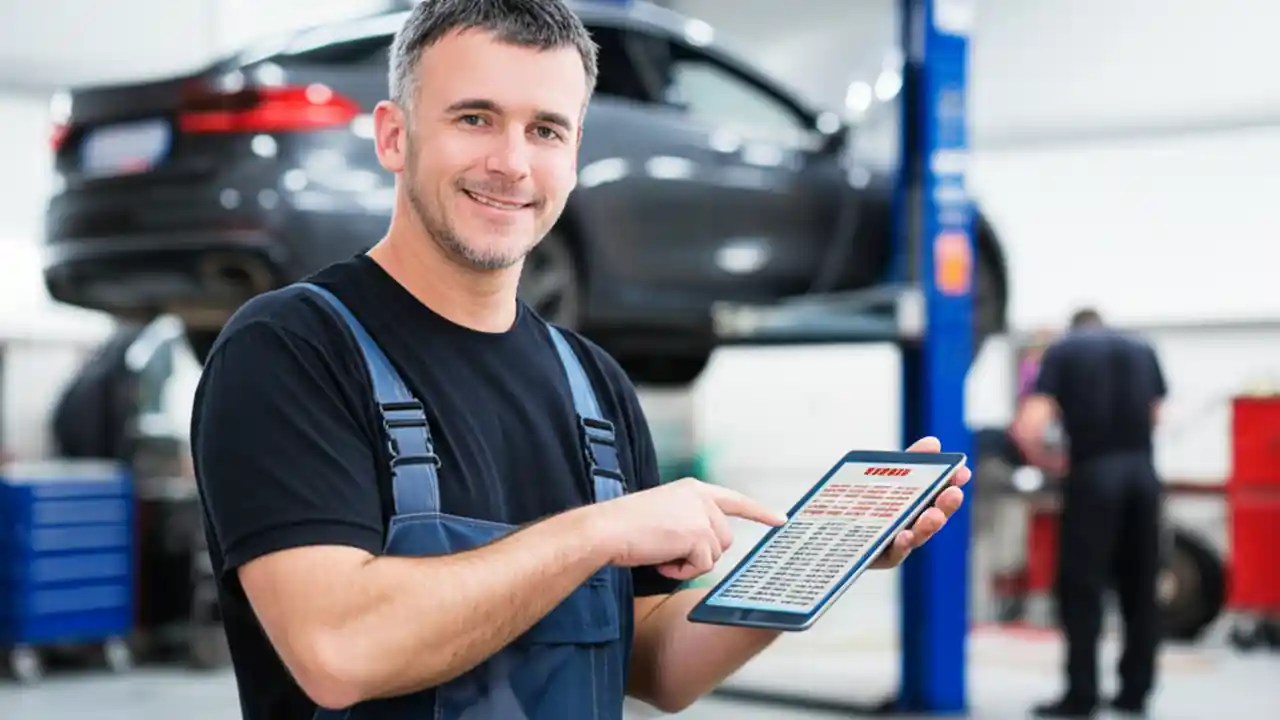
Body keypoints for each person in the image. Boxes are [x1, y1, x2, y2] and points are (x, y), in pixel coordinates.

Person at [191, 2, 969, 718]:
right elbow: (340, 652)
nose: (512, 163)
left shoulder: (592, 384)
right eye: (474, 117)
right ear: (394, 135)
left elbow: (657, 664)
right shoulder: (291, 351)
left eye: (546, 130)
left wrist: (814, 562)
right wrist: (598, 532)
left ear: (574, 152)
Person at [1013, 308, 1167, 718]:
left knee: (1082, 591)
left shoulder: (1062, 351)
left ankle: (1081, 695)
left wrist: (1050, 461)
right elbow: (1156, 415)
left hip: (1093, 477)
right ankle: (1135, 691)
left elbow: (1030, 425)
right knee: (1140, 589)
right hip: (1143, 477)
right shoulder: (1142, 347)